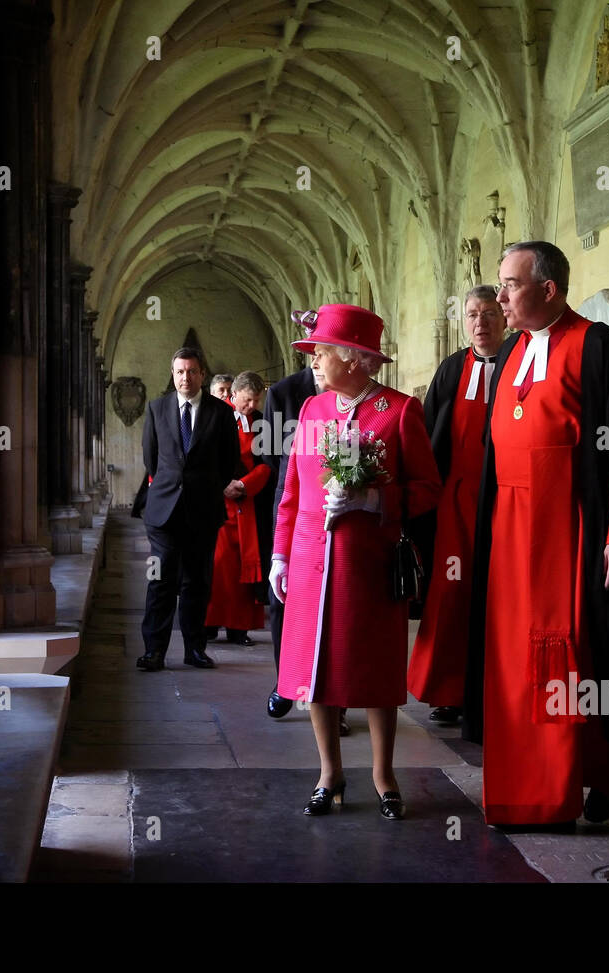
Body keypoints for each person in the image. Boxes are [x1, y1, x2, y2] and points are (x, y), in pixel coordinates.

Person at [464, 241, 609, 827]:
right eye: (498, 283)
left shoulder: (601, 348)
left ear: (549, 289)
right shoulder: (512, 351)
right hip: (512, 537)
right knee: (515, 661)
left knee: (585, 659)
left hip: (573, 534)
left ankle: (601, 773)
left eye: (510, 284)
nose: (499, 296)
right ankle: (525, 788)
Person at [270, 304, 441, 819]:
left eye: (322, 350)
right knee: (314, 671)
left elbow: (430, 490)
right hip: (309, 559)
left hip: (369, 563)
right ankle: (329, 773)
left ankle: (384, 775)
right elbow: (292, 491)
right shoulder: (311, 411)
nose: (314, 360)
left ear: (356, 358)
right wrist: (279, 554)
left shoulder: (400, 410)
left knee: (373, 666)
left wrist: (375, 502)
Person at [407, 285, 506, 727]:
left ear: (503, 317)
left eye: (488, 313)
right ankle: (448, 690)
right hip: (458, 502)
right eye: (472, 315)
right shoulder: (452, 369)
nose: (480, 323)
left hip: (507, 501)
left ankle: (499, 690)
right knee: (452, 593)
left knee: (501, 596)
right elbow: (431, 434)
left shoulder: (521, 361)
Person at [137, 348, 240, 671]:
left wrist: (206, 487)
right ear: (173, 373)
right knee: (161, 580)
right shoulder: (157, 409)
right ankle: (154, 651)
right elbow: (150, 459)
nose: (185, 377)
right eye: (180, 371)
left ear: (202, 374)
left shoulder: (221, 413)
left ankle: (195, 649)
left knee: (197, 582)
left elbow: (230, 461)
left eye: (192, 371)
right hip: (163, 512)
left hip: (203, 511)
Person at [262, 314, 323, 720]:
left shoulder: (357, 392)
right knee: (283, 597)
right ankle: (286, 681)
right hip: (294, 504)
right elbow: (269, 452)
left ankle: (328, 695)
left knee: (329, 602)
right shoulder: (285, 392)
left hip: (340, 510)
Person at [205, 371, 271, 645]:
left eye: (257, 400)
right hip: (218, 505)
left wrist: (243, 485)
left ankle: (239, 627)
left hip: (247, 505)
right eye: (248, 400)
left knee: (246, 567)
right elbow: (204, 457)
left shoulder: (261, 423)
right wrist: (223, 485)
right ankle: (209, 624)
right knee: (218, 568)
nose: (252, 406)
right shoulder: (214, 417)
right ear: (235, 395)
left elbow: (268, 463)